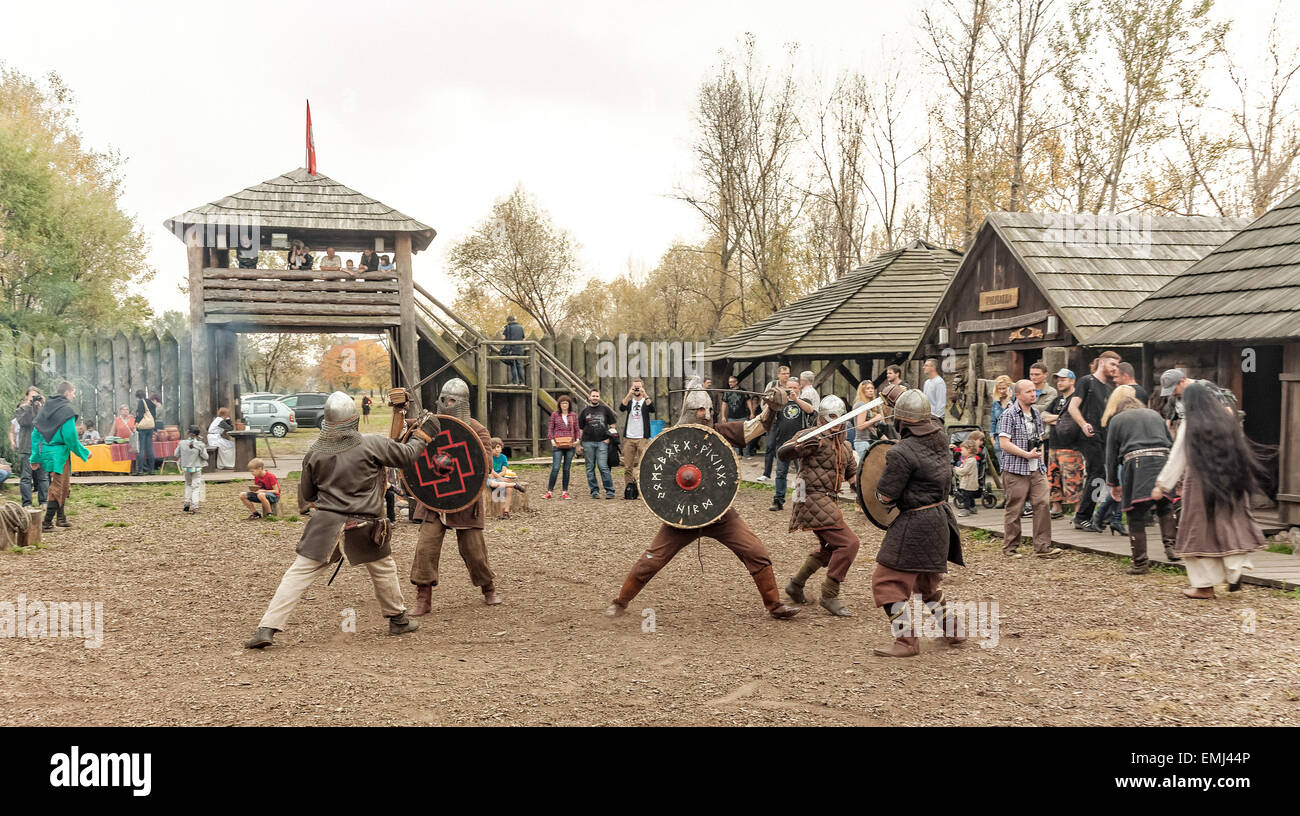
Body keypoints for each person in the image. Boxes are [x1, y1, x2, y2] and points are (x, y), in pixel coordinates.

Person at [245, 392, 431, 648]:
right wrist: (422, 436)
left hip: (325, 525)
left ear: (327, 422)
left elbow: (308, 495)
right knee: (383, 569)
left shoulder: (314, 452)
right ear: (353, 420)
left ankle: (267, 628)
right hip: (364, 525)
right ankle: (397, 620)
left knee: (297, 575)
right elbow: (407, 456)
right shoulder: (372, 443)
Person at [604, 385, 799, 621]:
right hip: (681, 516)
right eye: (699, 409)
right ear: (689, 411)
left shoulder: (718, 432)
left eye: (708, 409)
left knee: (755, 551)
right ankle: (620, 602)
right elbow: (657, 476)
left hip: (719, 513)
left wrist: (771, 408)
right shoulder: (671, 440)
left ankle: (775, 605)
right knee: (652, 560)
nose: (705, 414)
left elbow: (754, 427)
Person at [868, 389, 966, 657]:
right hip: (941, 519)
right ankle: (953, 628)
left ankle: (906, 641)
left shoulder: (901, 452)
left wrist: (873, 493)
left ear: (901, 421)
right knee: (924, 581)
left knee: (886, 580)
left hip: (916, 521)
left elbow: (886, 496)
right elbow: (931, 419)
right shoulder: (939, 436)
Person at [1153, 383, 1267, 599]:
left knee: (1198, 533)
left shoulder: (1190, 424)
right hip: (1231, 481)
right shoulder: (1227, 419)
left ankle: (1203, 586)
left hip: (1200, 484)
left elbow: (1178, 457)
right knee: (1230, 526)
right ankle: (1235, 573)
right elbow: (1240, 450)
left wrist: (1162, 485)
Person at [409, 379, 503, 613]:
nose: (447, 403)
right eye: (444, 399)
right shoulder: (430, 425)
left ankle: (488, 588)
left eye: (452, 400)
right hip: (435, 499)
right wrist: (400, 414)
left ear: (462, 403)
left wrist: (454, 461)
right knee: (425, 548)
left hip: (464, 498)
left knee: (474, 551)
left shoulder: (477, 429)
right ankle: (423, 598)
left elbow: (485, 463)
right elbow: (410, 450)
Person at [778, 395, 862, 616]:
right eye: (834, 417)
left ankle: (795, 585)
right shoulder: (811, 437)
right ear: (823, 418)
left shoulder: (845, 447)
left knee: (830, 550)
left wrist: (870, 496)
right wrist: (798, 446)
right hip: (810, 497)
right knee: (848, 544)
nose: (839, 421)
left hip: (829, 500)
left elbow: (853, 477)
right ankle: (829, 595)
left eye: (842, 417)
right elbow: (783, 452)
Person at [1102, 385, 1178, 575]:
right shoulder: (1154, 415)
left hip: (1136, 465)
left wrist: (1113, 483)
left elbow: (1111, 455)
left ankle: (1140, 563)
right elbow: (1170, 442)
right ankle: (1172, 549)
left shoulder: (1117, 420)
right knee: (1165, 506)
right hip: (1163, 460)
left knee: (1135, 515)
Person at [998, 380, 1062, 558]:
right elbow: (1004, 443)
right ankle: (1010, 548)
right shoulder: (1008, 415)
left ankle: (1043, 547)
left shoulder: (1036, 413)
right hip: (1015, 469)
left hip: (1036, 468)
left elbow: (1040, 439)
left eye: (1034, 391)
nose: (1033, 394)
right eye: (1028, 392)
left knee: (1042, 504)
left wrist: (1041, 462)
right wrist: (1026, 454)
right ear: (1018, 395)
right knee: (1015, 508)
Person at [1067, 351, 1120, 530]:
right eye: (1112, 364)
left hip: (1104, 438)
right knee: (1097, 474)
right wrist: (1083, 424)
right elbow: (1072, 407)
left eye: (1117, 366)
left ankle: (1088, 515)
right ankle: (1082, 516)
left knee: (1100, 476)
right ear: (1102, 363)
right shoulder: (1086, 381)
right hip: (1089, 436)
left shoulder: (1109, 389)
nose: (1115, 369)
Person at [31, 381, 91, 532]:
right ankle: (46, 523)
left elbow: (36, 434)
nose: (74, 395)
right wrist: (84, 452)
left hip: (47, 452)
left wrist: (35, 457)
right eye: (73, 392)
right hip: (59, 454)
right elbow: (70, 438)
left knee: (63, 484)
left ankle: (61, 518)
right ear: (66, 393)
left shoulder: (47, 408)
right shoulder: (66, 412)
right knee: (58, 486)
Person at [1043, 369, 1083, 520]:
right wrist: (1061, 418)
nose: (1059, 382)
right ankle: (1056, 507)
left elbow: (1074, 419)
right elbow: (1044, 416)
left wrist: (1056, 419)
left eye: (1063, 379)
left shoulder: (1076, 399)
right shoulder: (1057, 400)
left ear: (1072, 381)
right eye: (1058, 380)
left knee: (1073, 479)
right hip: (1054, 445)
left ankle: (1078, 512)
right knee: (1053, 478)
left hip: (1071, 446)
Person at [769, 378, 811, 512]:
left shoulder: (804, 401)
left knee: (802, 473)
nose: (792, 390)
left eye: (795, 387)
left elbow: (810, 410)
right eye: (789, 388)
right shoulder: (781, 403)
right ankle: (778, 500)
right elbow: (769, 413)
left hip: (800, 442)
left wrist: (796, 399)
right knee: (781, 473)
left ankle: (801, 501)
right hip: (783, 442)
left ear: (799, 388)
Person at [1158, 368, 1237, 436]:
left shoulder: (1206, 387)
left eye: (1174, 389)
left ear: (1182, 381)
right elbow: (1168, 419)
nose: (1173, 393)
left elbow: (1228, 412)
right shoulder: (1174, 397)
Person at [618, 378, 654, 500]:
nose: (637, 389)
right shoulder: (630, 401)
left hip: (642, 438)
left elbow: (652, 409)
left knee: (643, 465)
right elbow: (621, 408)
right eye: (635, 387)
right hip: (629, 437)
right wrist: (629, 394)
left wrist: (645, 394)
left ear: (642, 387)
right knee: (627, 466)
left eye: (638, 387)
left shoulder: (645, 401)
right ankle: (629, 490)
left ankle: (642, 491)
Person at [578, 389, 617, 499]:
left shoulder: (605, 410)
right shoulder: (584, 411)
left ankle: (610, 490)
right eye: (593, 396)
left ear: (599, 397)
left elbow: (613, 424)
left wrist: (609, 438)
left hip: (602, 442)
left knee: (603, 466)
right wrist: (579, 444)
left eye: (597, 396)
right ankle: (594, 491)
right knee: (590, 467)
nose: (595, 398)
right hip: (587, 443)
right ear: (589, 398)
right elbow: (580, 429)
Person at [14, 387, 49, 509]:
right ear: (26, 397)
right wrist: (31, 406)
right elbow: (25, 422)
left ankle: (43, 502)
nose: (34, 398)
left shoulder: (43, 410)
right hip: (27, 448)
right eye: (32, 396)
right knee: (26, 478)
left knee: (43, 477)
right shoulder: (21, 410)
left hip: (41, 448)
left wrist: (42, 405)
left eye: (36, 396)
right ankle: (27, 504)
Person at [756, 364, 791, 482]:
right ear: (778, 375)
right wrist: (768, 412)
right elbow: (764, 401)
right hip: (774, 420)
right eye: (784, 374)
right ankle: (766, 473)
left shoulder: (792, 386)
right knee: (770, 446)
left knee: (787, 446)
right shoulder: (771, 385)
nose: (786, 376)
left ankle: (786, 473)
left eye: (788, 374)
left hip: (787, 421)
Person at [545, 394, 577, 499]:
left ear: (569, 404)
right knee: (555, 467)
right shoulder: (555, 414)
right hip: (557, 445)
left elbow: (577, 429)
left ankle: (564, 492)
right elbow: (550, 428)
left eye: (566, 403)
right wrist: (552, 440)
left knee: (566, 469)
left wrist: (577, 440)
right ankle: (549, 491)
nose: (564, 405)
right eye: (562, 403)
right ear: (559, 404)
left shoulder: (573, 415)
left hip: (570, 445)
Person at [487, 437, 526, 519]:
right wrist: (500, 478)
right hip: (492, 479)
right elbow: (492, 471)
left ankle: (506, 512)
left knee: (509, 489)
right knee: (493, 484)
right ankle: (514, 484)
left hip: (500, 478)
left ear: (501, 447)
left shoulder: (503, 457)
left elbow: (504, 471)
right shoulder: (489, 457)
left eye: (498, 447)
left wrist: (500, 477)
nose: (496, 449)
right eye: (493, 448)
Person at [852, 381, 887, 463]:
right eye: (868, 388)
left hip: (871, 441)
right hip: (863, 441)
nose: (871, 390)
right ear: (862, 391)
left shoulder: (870, 405)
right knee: (868, 470)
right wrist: (874, 419)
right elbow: (860, 426)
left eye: (872, 388)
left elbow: (877, 427)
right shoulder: (861, 405)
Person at [953, 431, 985, 518]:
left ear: (969, 450)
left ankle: (966, 509)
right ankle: (973, 508)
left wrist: (956, 469)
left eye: (963, 450)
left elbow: (964, 471)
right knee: (970, 496)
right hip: (968, 483)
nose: (961, 452)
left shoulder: (971, 461)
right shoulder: (969, 459)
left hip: (968, 483)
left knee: (966, 497)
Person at [178, 425, 208, 514]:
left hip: (186, 467)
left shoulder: (181, 443)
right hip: (196, 467)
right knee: (196, 487)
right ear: (197, 434)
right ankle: (195, 506)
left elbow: (176, 453)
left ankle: (187, 503)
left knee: (188, 484)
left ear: (188, 433)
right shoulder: (200, 444)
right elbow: (205, 456)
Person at [720, 375, 751, 456]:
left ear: (736, 382)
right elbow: (724, 404)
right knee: (733, 436)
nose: (730, 384)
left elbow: (748, 401)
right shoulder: (727, 392)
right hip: (731, 417)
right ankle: (735, 455)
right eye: (729, 382)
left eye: (732, 382)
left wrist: (752, 413)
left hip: (743, 416)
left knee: (745, 435)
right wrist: (723, 416)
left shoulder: (743, 391)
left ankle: (746, 454)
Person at [133, 389, 159, 475]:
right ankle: (151, 470)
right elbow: (154, 416)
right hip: (150, 427)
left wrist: (136, 423)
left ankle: (140, 470)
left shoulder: (141, 402)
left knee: (141, 449)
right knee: (150, 449)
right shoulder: (151, 403)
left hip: (142, 428)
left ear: (138, 397)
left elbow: (140, 414)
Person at [989, 375, 1014, 464]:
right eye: (999, 389)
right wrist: (992, 437)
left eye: (1004, 388)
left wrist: (1009, 400)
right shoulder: (996, 402)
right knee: (1002, 467)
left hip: (1012, 438)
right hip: (998, 438)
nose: (1001, 391)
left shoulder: (1015, 401)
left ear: (1009, 387)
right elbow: (993, 420)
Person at [501, 315, 526, 385]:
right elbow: (524, 339)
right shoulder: (521, 327)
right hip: (519, 349)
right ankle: (522, 382)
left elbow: (503, 338)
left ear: (508, 321)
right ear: (514, 320)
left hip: (511, 349)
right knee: (519, 365)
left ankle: (514, 382)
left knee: (513, 365)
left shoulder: (508, 327)